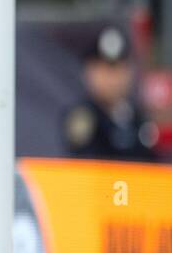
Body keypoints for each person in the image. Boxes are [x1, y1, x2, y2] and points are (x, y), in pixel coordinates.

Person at [62, 25, 159, 161]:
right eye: (104, 71)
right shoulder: (83, 117)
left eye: (118, 69)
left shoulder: (137, 117)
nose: (112, 80)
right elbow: (85, 162)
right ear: (89, 73)